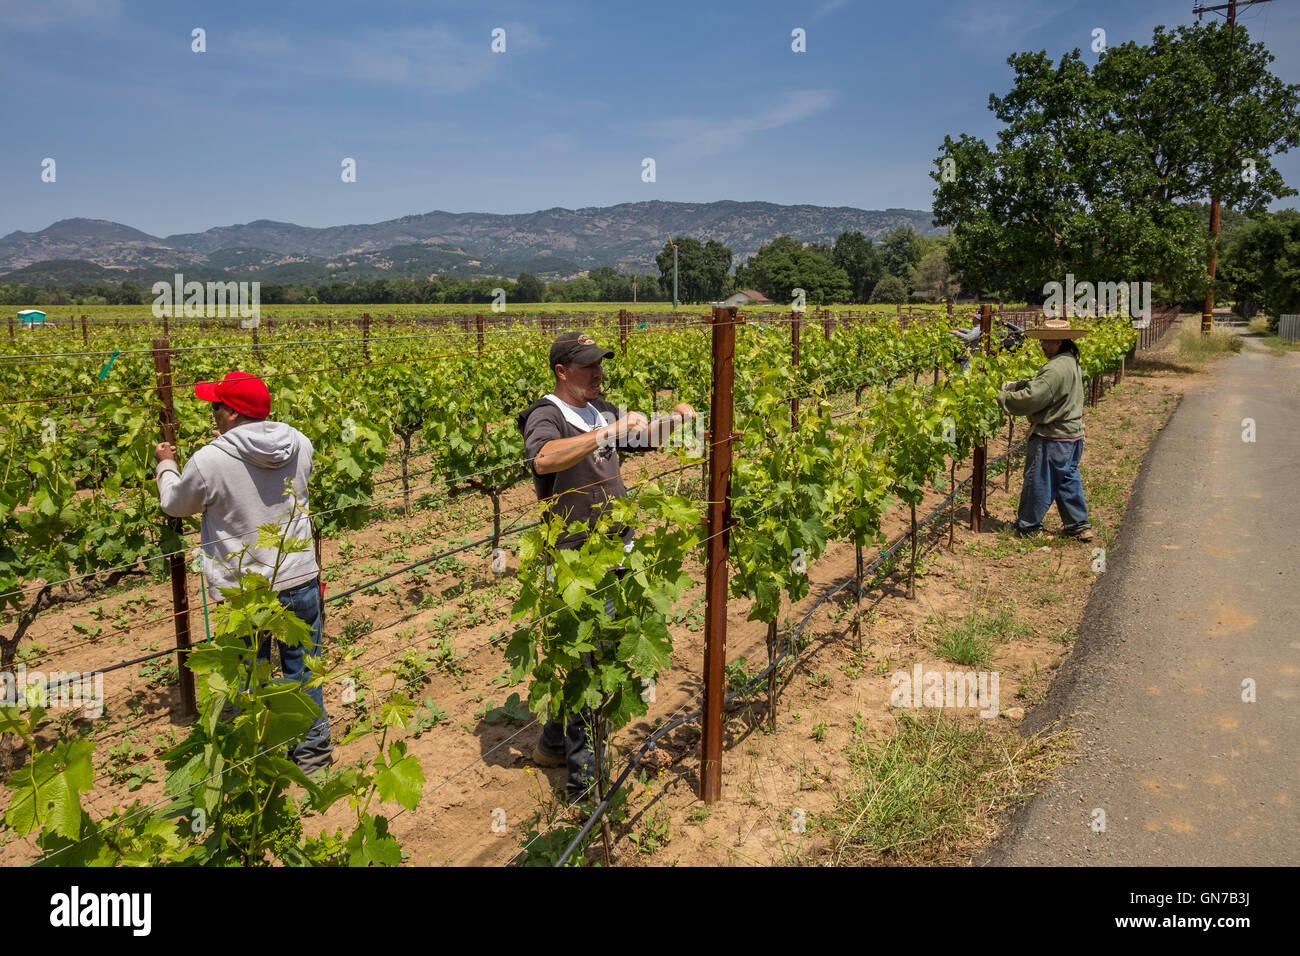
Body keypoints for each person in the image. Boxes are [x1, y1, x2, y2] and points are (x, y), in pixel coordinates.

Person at [516, 331, 695, 801]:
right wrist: (607, 432)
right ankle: (584, 790)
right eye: (588, 366)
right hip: (577, 564)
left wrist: (672, 421)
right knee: (593, 666)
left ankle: (553, 745)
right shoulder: (548, 414)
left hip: (617, 550)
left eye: (600, 364)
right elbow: (542, 459)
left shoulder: (600, 410)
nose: (598, 373)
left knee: (596, 659)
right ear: (561, 371)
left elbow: (639, 441)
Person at [153, 371, 332, 774]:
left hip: (243, 590)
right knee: (303, 668)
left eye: (216, 406)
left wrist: (167, 466)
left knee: (246, 673)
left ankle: (258, 758)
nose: (212, 413)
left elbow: (176, 505)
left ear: (232, 413)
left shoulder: (209, 460)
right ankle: (313, 755)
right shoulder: (300, 442)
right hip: (299, 574)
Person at [997, 319, 1094, 542]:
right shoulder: (1069, 361)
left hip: (1053, 437)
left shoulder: (1055, 368)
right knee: (1067, 479)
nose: (1041, 344)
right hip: (1073, 435)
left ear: (1058, 341)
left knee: (1038, 480)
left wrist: (1002, 397)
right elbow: (1048, 387)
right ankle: (1078, 525)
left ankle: (1029, 526)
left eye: (1045, 341)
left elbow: (1033, 398)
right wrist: (1021, 383)